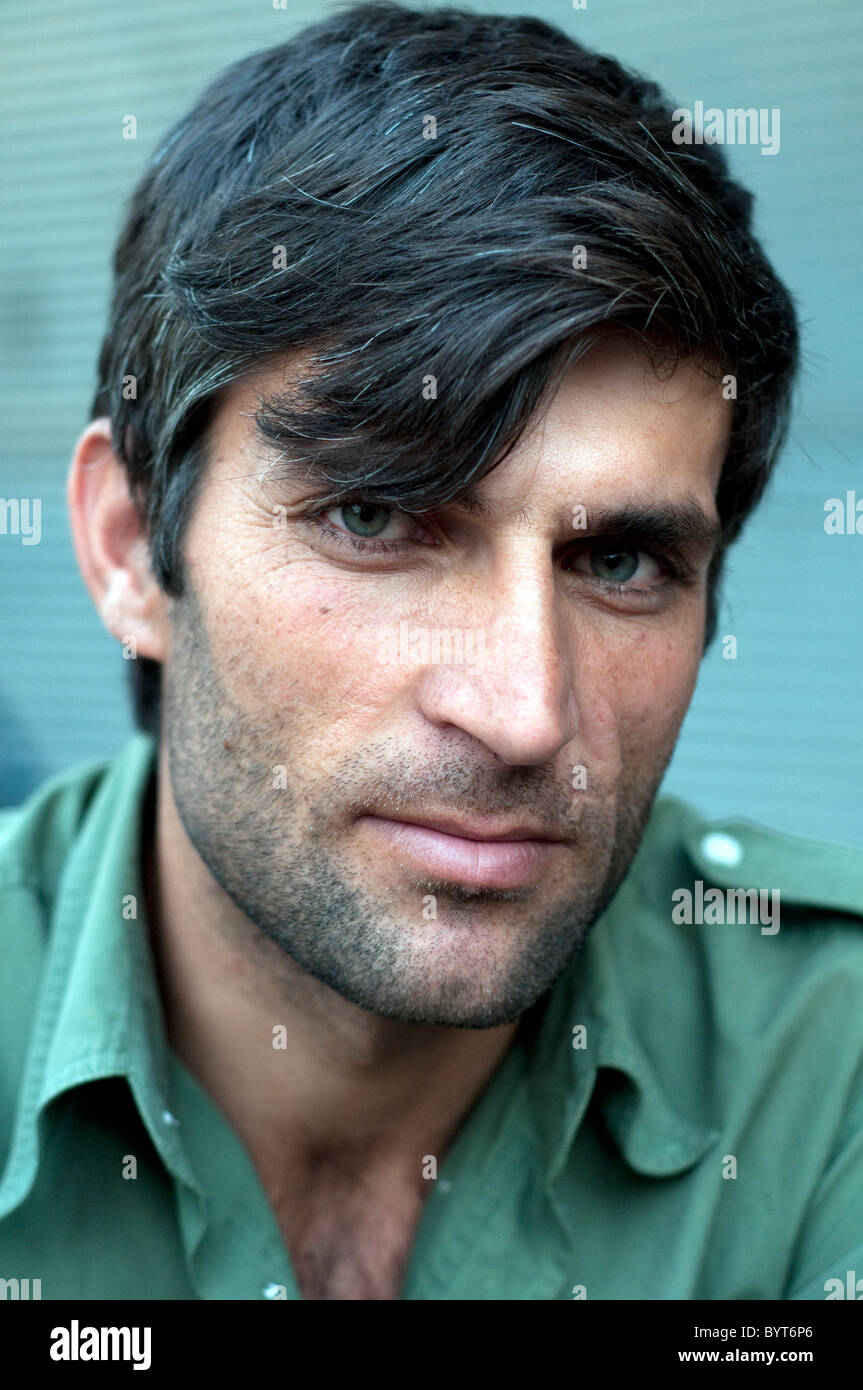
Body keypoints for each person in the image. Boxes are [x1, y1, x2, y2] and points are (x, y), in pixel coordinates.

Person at [1, 1, 861, 1302]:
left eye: (621, 561)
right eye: (378, 518)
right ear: (131, 549)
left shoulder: (830, 1058)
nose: (524, 709)